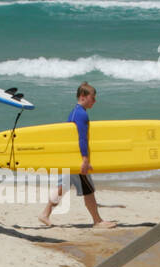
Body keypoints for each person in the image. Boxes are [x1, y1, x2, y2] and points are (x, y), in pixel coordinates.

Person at [38, 82, 116, 228]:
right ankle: (97, 221)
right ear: (83, 97)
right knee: (88, 190)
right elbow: (81, 138)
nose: (94, 101)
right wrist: (85, 159)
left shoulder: (75, 112)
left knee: (63, 187)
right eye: (92, 97)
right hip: (77, 160)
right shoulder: (80, 114)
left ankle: (45, 214)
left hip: (70, 158)